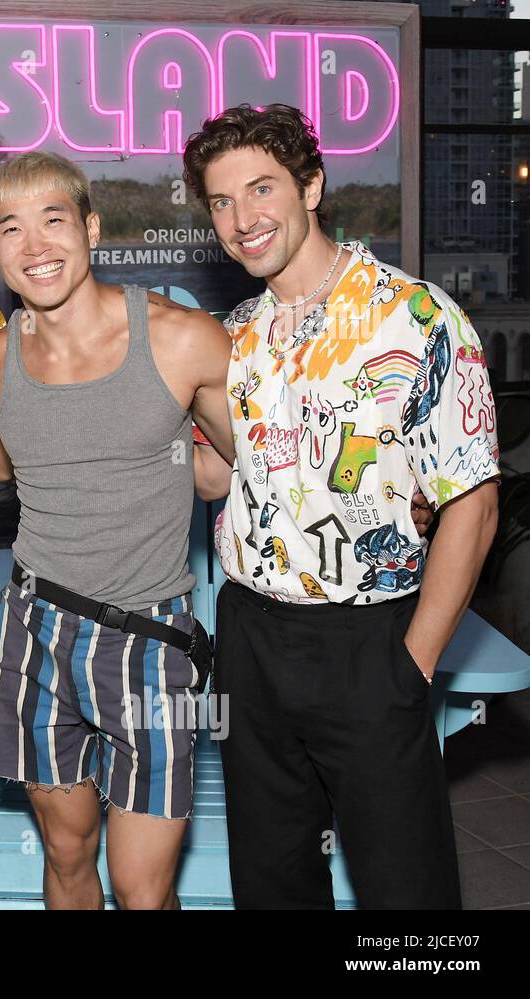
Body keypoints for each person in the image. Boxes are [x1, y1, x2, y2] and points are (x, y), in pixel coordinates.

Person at [182, 103, 499, 908]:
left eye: (260, 189)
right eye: (221, 202)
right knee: (273, 879)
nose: (242, 219)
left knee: (404, 887)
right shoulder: (237, 333)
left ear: (311, 185)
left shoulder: (414, 316)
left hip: (370, 640)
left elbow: (473, 503)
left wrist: (412, 663)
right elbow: (222, 479)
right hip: (250, 634)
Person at [0, 151, 235, 910]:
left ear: (90, 228)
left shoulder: (183, 338)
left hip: (150, 642)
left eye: (54, 220)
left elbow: (244, 464)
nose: (35, 245)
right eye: (11, 228)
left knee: (143, 889)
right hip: (34, 633)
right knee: (65, 850)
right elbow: (0, 471)